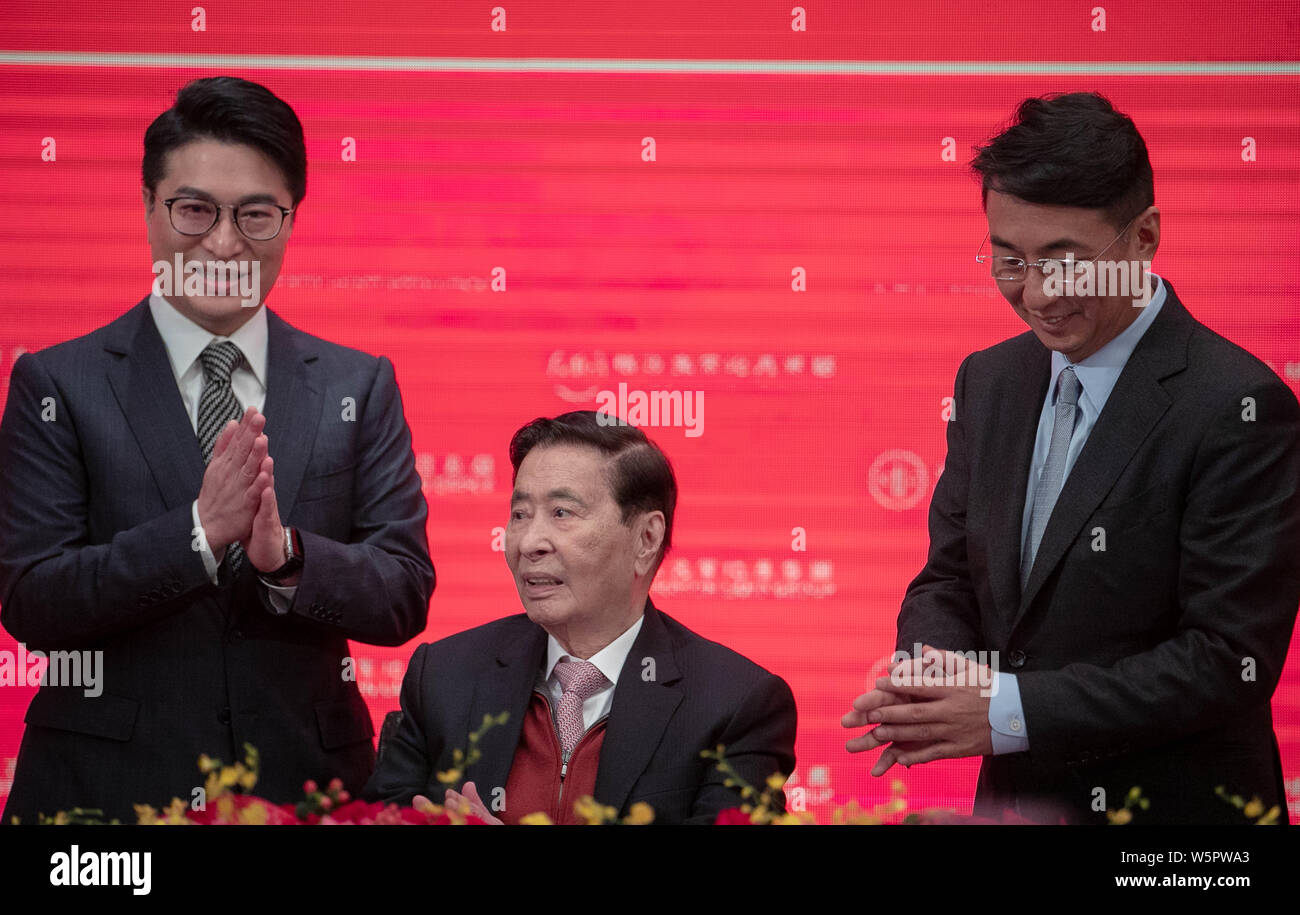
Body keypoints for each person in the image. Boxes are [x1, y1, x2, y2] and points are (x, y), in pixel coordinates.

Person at [841, 92, 1300, 824]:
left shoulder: (1237, 405)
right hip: (1014, 807)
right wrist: (935, 678)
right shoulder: (989, 380)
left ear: (1144, 236)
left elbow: (1225, 658)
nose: (1036, 293)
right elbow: (951, 573)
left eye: (1066, 260)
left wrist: (1007, 709)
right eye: (1009, 259)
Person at [0, 76, 434, 823]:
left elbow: (404, 589)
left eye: (255, 214)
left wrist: (289, 557)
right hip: (103, 796)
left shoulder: (358, 385)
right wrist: (196, 537)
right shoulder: (58, 383)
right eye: (194, 208)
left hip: (306, 789)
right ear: (148, 209)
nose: (225, 241)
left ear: (291, 219)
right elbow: (30, 595)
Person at [364, 411, 796, 824]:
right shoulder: (443, 676)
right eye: (519, 514)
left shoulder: (736, 705)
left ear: (646, 538)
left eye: (561, 513)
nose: (529, 542)